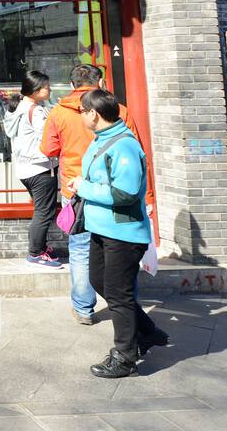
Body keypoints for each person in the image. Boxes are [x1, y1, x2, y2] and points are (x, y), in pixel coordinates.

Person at [64, 89, 168, 377]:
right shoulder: (103, 140)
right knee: (100, 282)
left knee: (118, 295)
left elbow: (124, 193)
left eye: (83, 111)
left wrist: (83, 187)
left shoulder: (123, 146)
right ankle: (147, 332)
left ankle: (125, 357)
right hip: (100, 227)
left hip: (122, 231)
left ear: (93, 114)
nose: (82, 115)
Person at [41, 64, 155, 325]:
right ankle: (126, 308)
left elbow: (48, 149)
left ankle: (83, 308)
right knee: (119, 251)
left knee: (81, 249)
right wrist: (147, 197)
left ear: (71, 86)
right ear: (101, 82)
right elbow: (139, 155)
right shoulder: (120, 111)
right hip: (114, 193)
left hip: (75, 188)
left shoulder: (59, 112)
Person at [3, 70, 61, 268]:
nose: (50, 89)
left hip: (25, 168)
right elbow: (48, 139)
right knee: (44, 212)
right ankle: (36, 253)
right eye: (46, 87)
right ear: (36, 90)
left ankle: (40, 247)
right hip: (40, 167)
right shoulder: (35, 111)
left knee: (41, 210)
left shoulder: (17, 107)